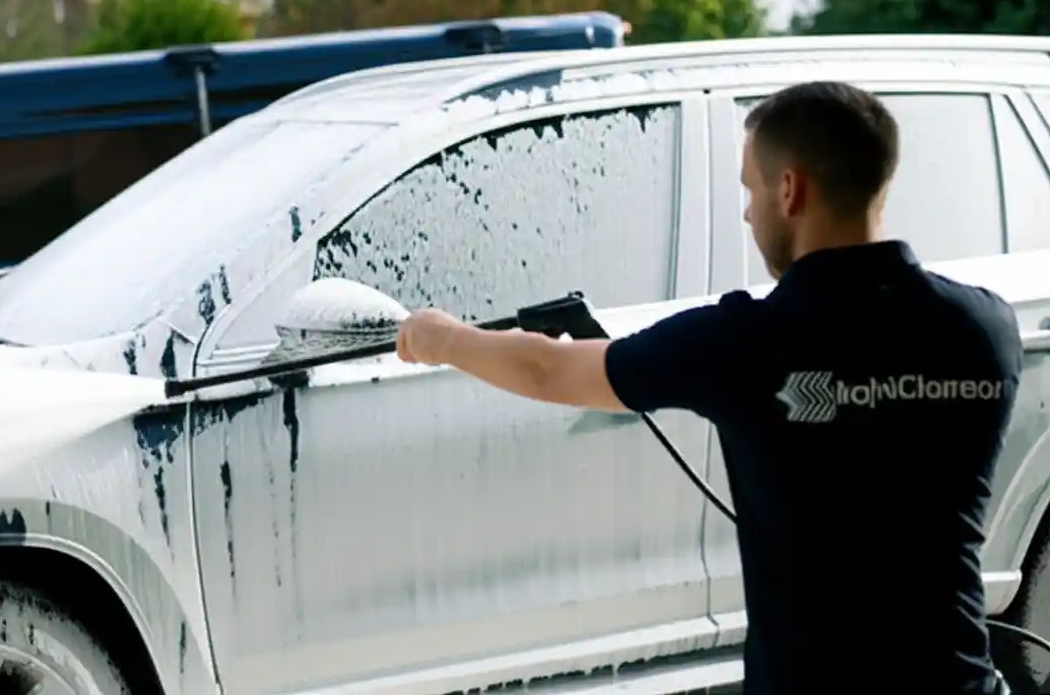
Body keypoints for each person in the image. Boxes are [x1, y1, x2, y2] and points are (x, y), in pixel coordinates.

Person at [395, 81, 1022, 695]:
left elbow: (548, 370)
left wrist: (440, 337)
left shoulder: (742, 344)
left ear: (789, 188)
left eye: (750, 188)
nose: (748, 212)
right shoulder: (986, 328)